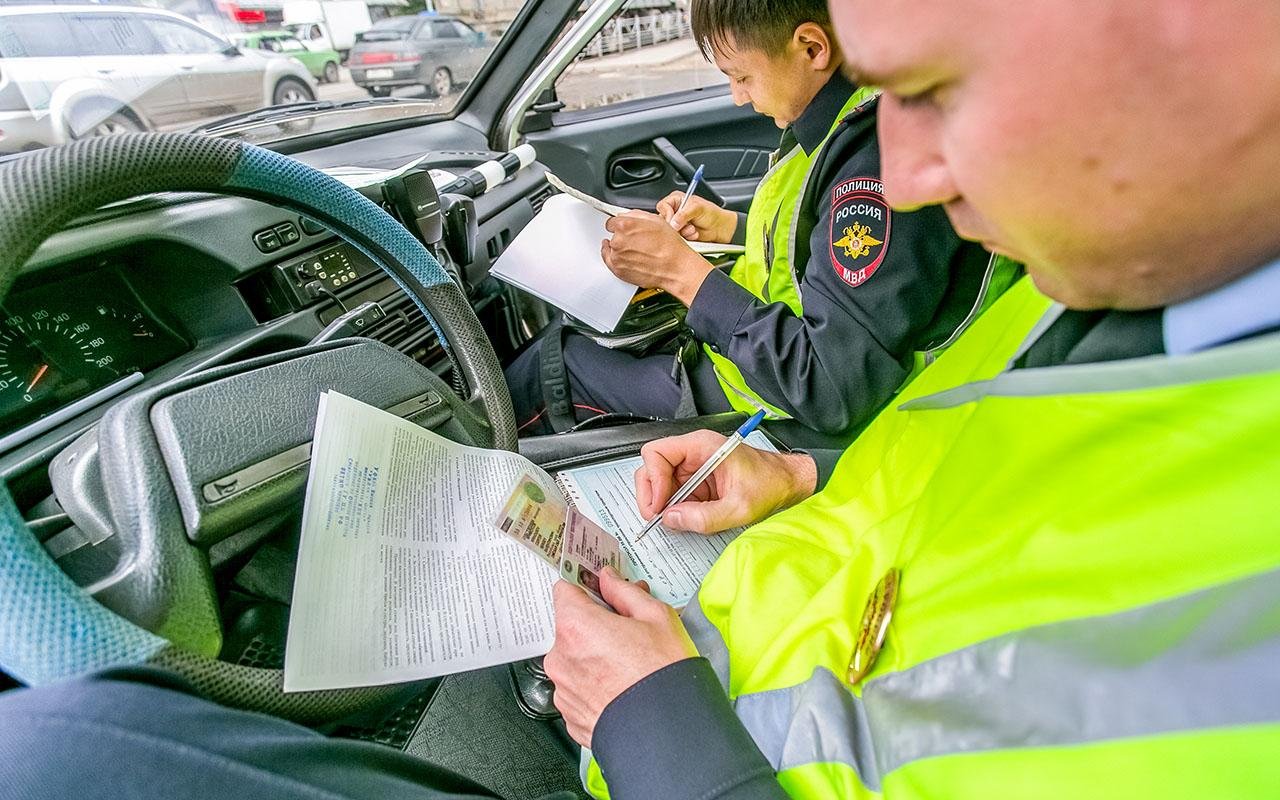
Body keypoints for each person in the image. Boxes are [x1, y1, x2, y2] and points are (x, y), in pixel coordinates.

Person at [3, 1, 1280, 799]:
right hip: (716, 630)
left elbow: (830, 370)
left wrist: (659, 727)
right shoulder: (1097, 286)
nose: (903, 169)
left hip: (691, 739)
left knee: (61, 753)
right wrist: (806, 478)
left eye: (933, 88)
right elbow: (961, 457)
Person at [504, 0, 1000, 444]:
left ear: (811, 47)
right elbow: (818, 249)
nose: (738, 97)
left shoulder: (877, 160)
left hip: (784, 414)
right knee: (581, 341)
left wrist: (681, 273)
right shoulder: (848, 113)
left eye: (742, 76)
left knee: (556, 368)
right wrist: (730, 228)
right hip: (758, 362)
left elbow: (830, 387)